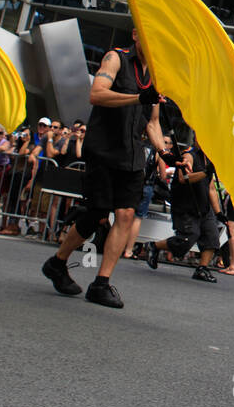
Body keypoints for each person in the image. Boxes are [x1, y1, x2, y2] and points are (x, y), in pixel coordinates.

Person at [40, 28, 166, 308]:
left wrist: (165, 152)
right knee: (97, 214)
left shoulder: (156, 76)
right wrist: (137, 98)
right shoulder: (115, 59)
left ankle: (101, 283)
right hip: (103, 150)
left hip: (132, 155)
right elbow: (96, 95)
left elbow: (152, 121)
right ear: (136, 35)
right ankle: (58, 262)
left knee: (126, 214)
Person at [145, 138, 223, 281]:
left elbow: (211, 188)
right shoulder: (188, 156)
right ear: (196, 140)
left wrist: (219, 212)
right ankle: (154, 246)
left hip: (204, 207)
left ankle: (202, 269)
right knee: (187, 239)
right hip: (186, 206)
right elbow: (183, 178)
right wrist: (205, 173)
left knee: (212, 238)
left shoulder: (208, 159)